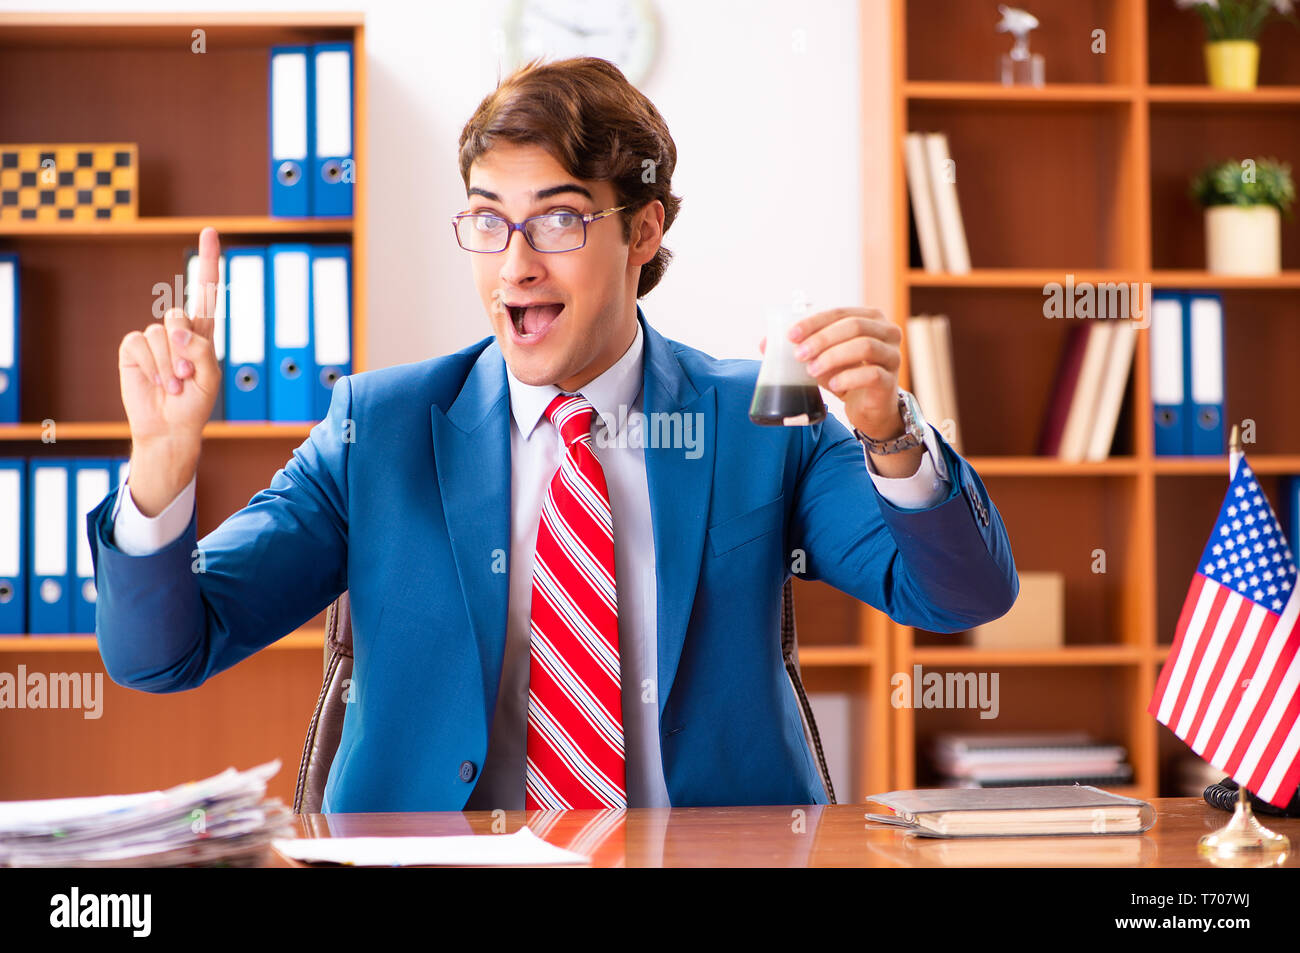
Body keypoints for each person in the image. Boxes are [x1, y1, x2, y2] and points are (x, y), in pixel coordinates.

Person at [88, 56, 1017, 813]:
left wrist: (892, 433)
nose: (515, 264)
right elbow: (163, 653)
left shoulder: (760, 420)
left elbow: (962, 596)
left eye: (559, 219)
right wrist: (161, 472)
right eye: (489, 221)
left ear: (643, 229)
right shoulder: (379, 428)